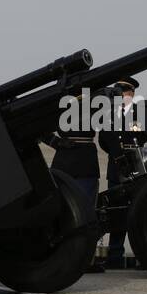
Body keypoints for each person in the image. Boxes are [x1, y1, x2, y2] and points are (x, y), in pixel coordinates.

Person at [44, 90, 103, 273]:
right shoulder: (63, 103)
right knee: (62, 209)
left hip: (81, 158)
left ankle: (86, 258)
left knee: (87, 211)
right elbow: (39, 130)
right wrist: (57, 143)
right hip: (68, 159)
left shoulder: (94, 101)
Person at [97, 77, 140, 269]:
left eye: (130, 93)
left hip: (135, 165)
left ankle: (141, 252)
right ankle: (115, 253)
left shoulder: (138, 113)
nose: (128, 96)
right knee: (117, 210)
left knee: (138, 209)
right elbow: (105, 139)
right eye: (125, 93)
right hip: (117, 166)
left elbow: (144, 135)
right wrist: (118, 155)